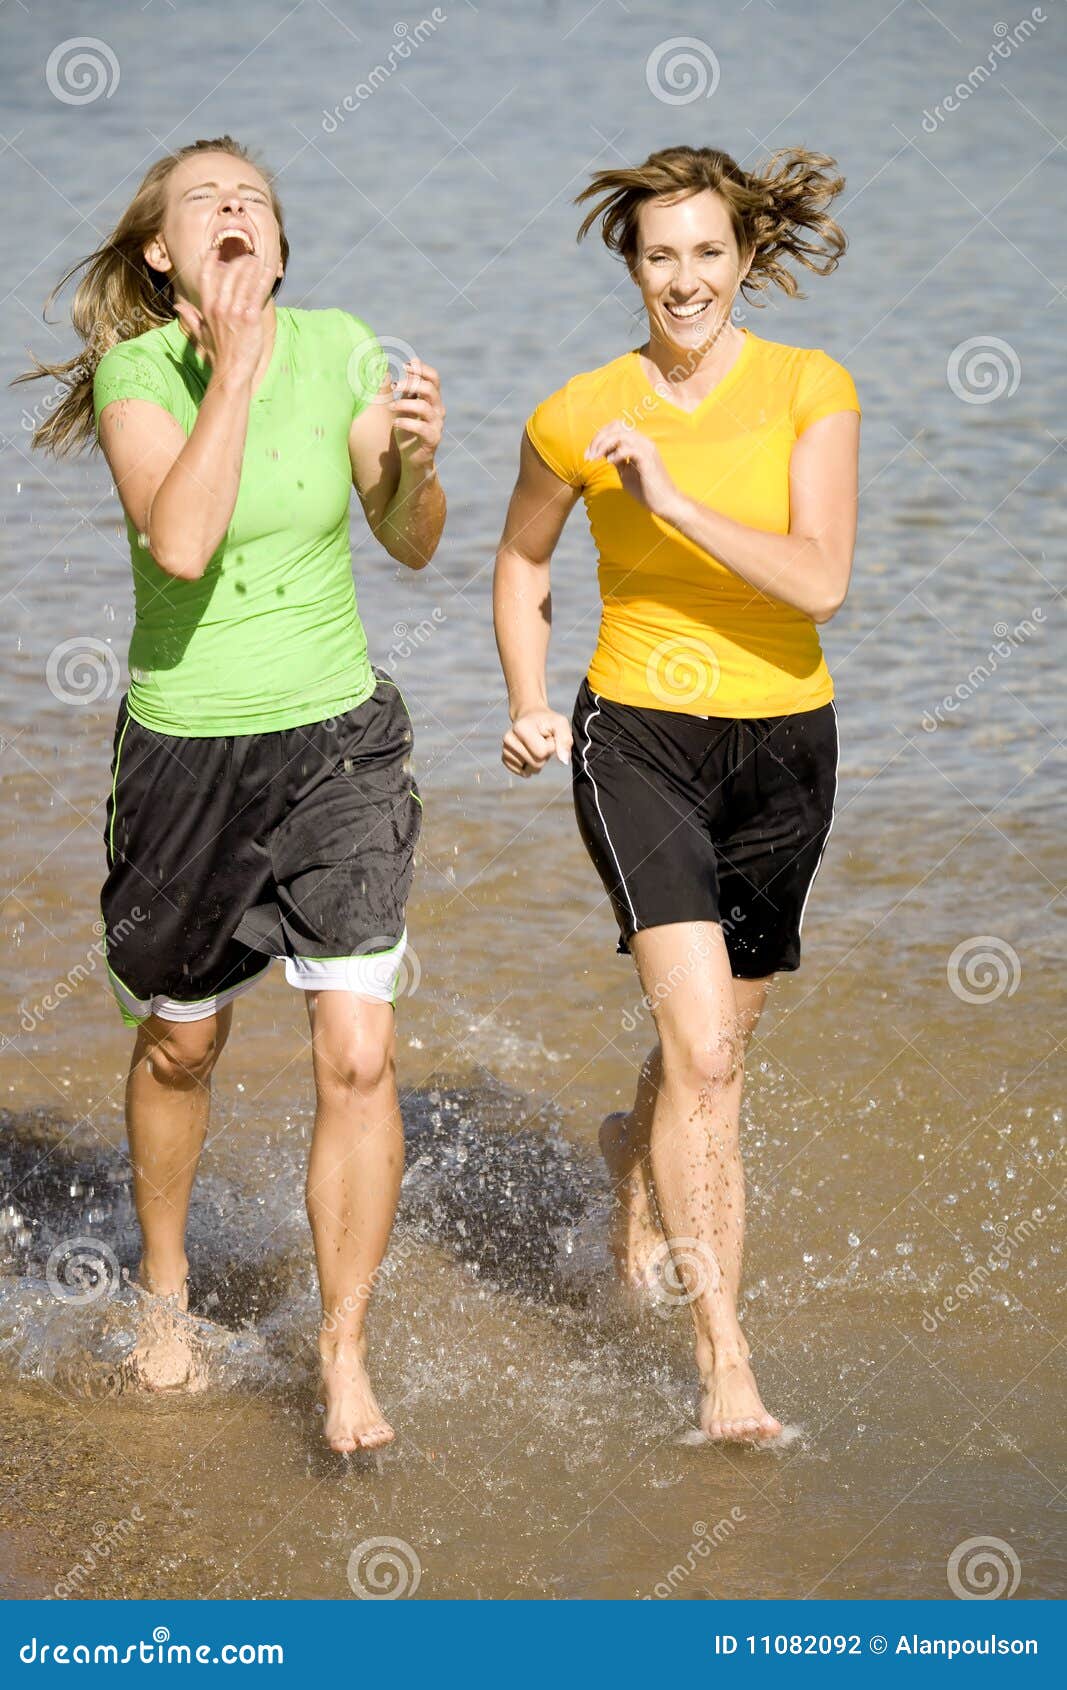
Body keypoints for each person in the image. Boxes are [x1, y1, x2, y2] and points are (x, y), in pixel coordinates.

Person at [15, 135, 446, 1453]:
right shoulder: (139, 371)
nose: (236, 209)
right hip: (191, 751)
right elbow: (185, 539)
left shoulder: (342, 345)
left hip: (338, 743)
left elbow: (412, 542)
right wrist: (237, 372)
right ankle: (166, 1286)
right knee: (180, 1044)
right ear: (162, 249)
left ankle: (342, 1349)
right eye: (207, 199)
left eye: (254, 197)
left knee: (360, 1051)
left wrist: (413, 468)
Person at [492, 144, 860, 1443]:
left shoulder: (813, 387)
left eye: (710, 252)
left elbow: (821, 579)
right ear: (632, 265)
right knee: (705, 1053)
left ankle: (633, 1165)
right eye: (662, 256)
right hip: (636, 736)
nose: (686, 278)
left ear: (744, 260)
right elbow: (522, 555)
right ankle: (727, 1369)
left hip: (784, 751)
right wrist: (529, 695)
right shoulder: (576, 411)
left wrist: (672, 494)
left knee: (720, 1047)